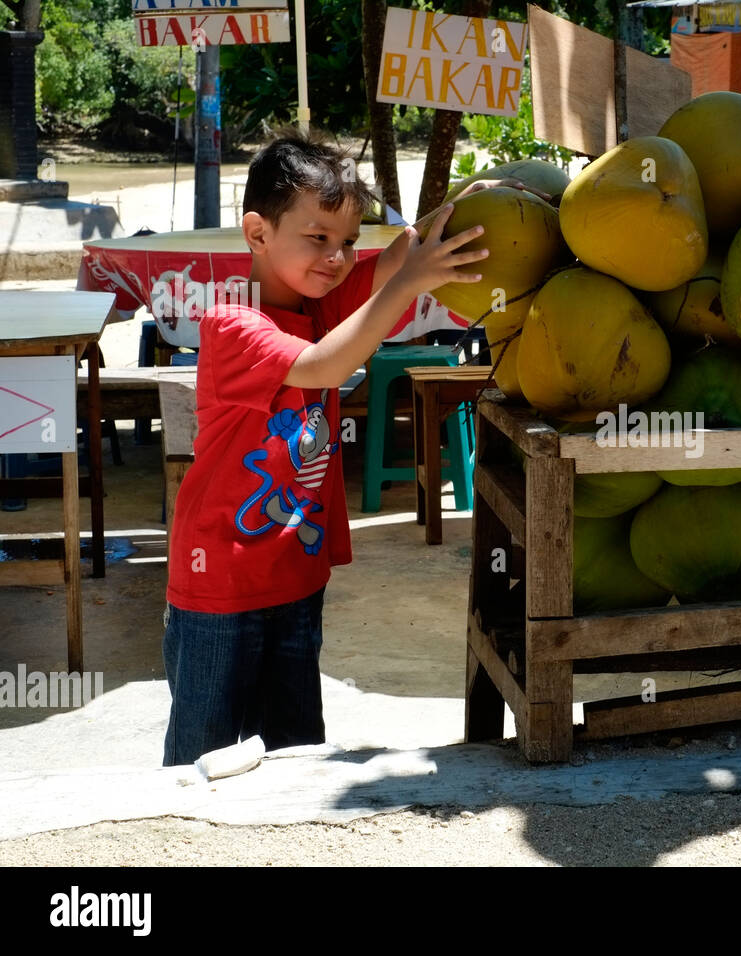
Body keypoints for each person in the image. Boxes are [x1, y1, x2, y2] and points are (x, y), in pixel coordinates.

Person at [161, 133, 492, 767]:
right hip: (219, 587)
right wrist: (404, 288)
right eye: (318, 239)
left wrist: (468, 203)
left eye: (345, 242)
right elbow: (321, 365)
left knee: (293, 761)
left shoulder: (321, 301)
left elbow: (399, 256)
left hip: (295, 580)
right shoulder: (234, 322)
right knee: (198, 763)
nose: (337, 258)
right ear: (257, 234)